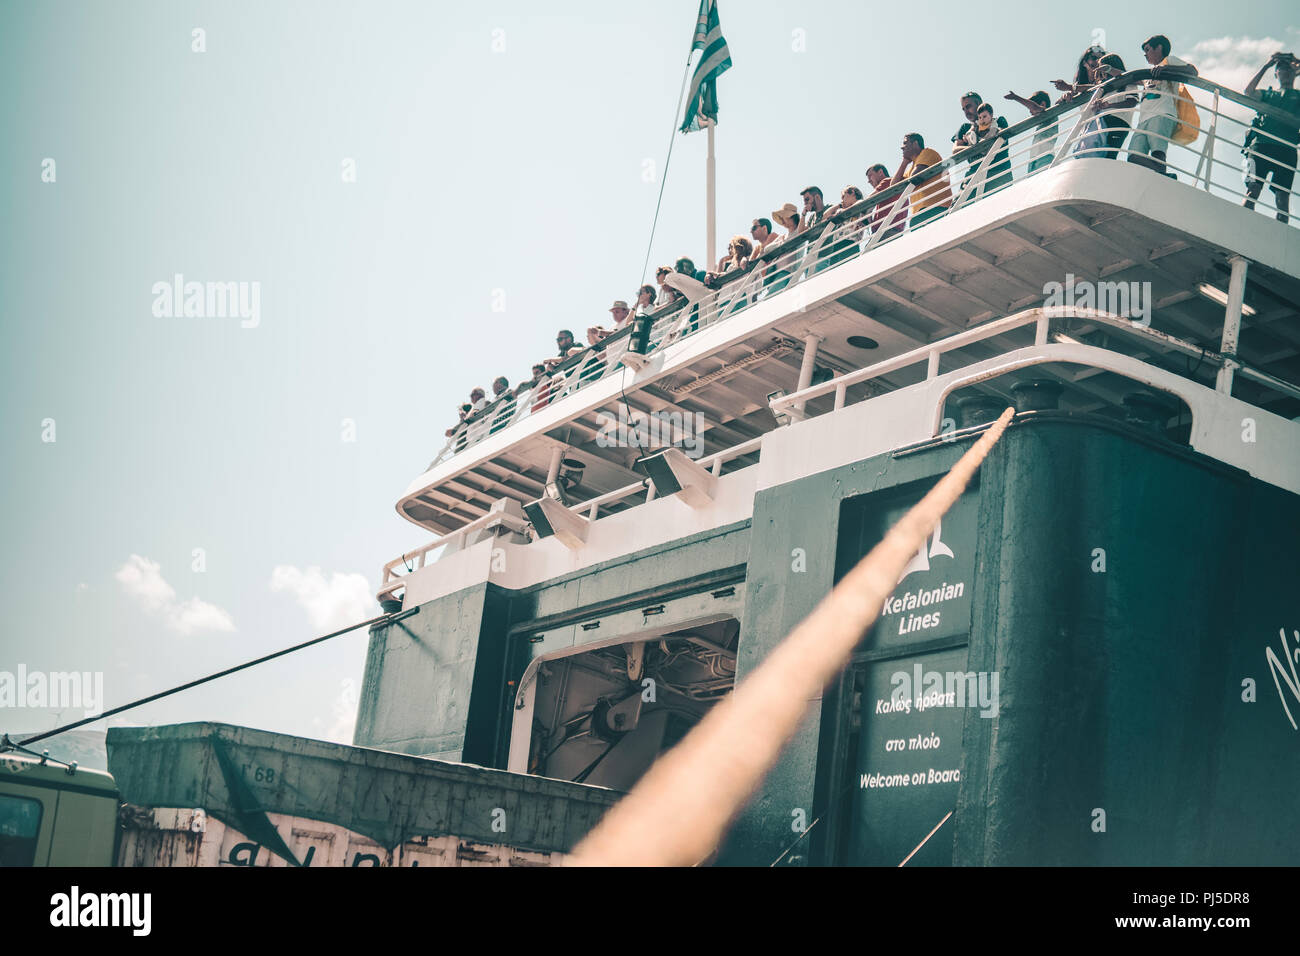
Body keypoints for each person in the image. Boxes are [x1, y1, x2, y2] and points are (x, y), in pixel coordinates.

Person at [1127, 35, 1198, 176]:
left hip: (1162, 113)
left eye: (1147, 50)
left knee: (1157, 152)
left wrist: (1166, 69)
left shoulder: (1168, 61)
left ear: (1159, 47)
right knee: (1133, 156)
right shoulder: (1149, 73)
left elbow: (1193, 71)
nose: (1145, 54)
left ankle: (1162, 175)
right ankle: (1161, 174)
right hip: (1144, 119)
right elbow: (1129, 77)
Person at [1243, 52, 1300, 224]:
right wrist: (1267, 65)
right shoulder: (1269, 94)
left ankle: (1280, 237)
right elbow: (1248, 92)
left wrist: (1297, 62)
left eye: (1288, 69)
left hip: (1286, 149)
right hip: (1261, 146)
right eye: (1281, 68)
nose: (1285, 71)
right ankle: (1242, 224)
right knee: (1252, 190)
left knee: (1283, 200)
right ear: (1276, 74)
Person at [1074, 54, 1139, 160]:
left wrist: (1109, 105)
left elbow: (1132, 101)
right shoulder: (1104, 86)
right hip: (1105, 120)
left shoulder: (1127, 81)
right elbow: (1090, 89)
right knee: (1096, 155)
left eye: (1103, 68)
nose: (1101, 71)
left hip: (1118, 121)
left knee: (1108, 156)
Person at [895, 133, 953, 227]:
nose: (902, 147)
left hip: (935, 208)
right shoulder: (912, 166)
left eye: (905, 143)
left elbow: (915, 176)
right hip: (919, 213)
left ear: (915, 143)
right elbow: (894, 185)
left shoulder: (927, 152)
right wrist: (904, 162)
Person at [1005, 90, 1058, 172]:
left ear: (1043, 104)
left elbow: (1035, 107)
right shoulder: (1040, 125)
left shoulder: (1050, 114)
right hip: (1033, 162)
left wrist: (1015, 97)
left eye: (1030, 108)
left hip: (1045, 158)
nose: (1030, 111)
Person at [971, 103, 1013, 192]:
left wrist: (996, 131)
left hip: (1000, 167)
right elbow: (972, 138)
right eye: (980, 117)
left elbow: (1000, 133)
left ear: (991, 115)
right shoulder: (977, 128)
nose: (982, 120)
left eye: (984, 116)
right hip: (984, 168)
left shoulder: (998, 122)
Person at [866, 163, 907, 240]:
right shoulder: (887, 187)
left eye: (870, 176)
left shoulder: (887, 181)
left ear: (880, 172)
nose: (869, 181)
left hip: (886, 232)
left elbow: (868, 200)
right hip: (891, 231)